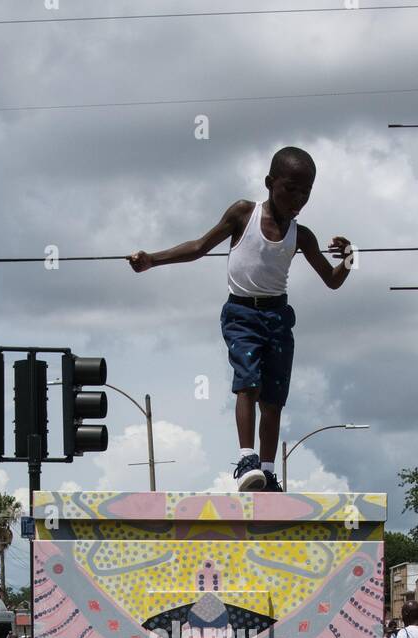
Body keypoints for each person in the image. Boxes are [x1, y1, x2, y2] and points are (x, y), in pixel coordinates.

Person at [128, 147, 353, 493]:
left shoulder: (301, 236)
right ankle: (247, 459)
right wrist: (151, 260)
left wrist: (350, 257)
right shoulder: (243, 213)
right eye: (289, 189)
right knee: (248, 382)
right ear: (269, 183)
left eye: (305, 194)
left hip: (278, 316)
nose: (296, 200)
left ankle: (266, 471)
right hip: (242, 313)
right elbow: (199, 246)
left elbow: (332, 280)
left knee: (274, 399)